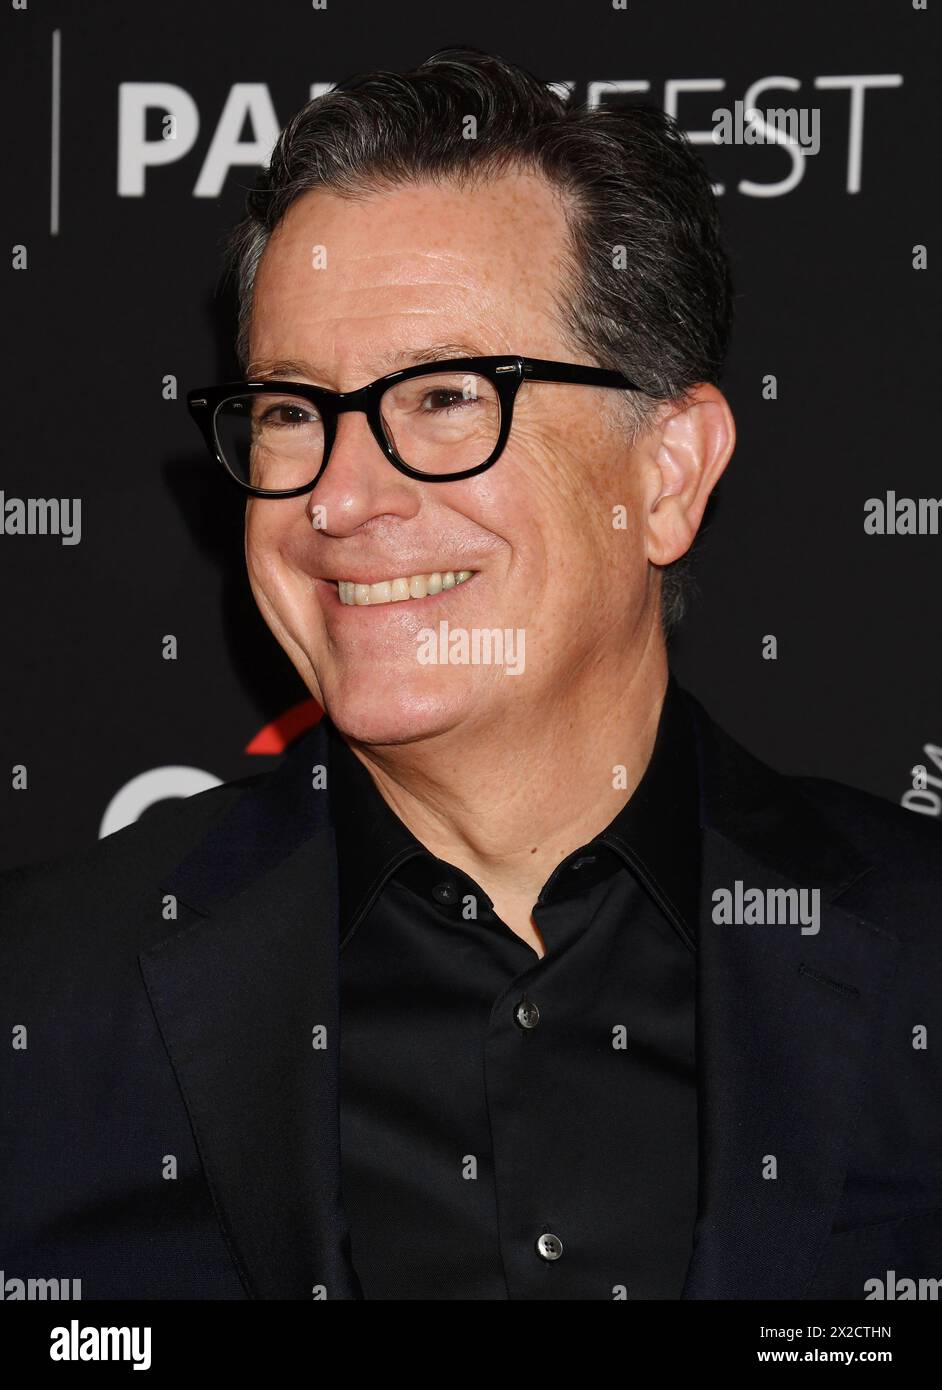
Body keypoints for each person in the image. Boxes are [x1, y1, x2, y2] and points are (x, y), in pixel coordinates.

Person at [2, 47, 940, 1302]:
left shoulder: (917, 956)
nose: (340, 499)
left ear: (667, 473)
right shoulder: (47, 996)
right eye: (291, 411)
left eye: (446, 398)